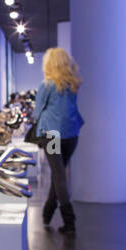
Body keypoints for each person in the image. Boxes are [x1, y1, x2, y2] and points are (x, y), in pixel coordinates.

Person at [34, 47, 84, 234]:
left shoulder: (46, 85)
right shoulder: (73, 84)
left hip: (53, 135)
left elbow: (38, 111)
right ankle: (47, 213)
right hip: (72, 134)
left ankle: (69, 221)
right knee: (59, 173)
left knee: (59, 175)